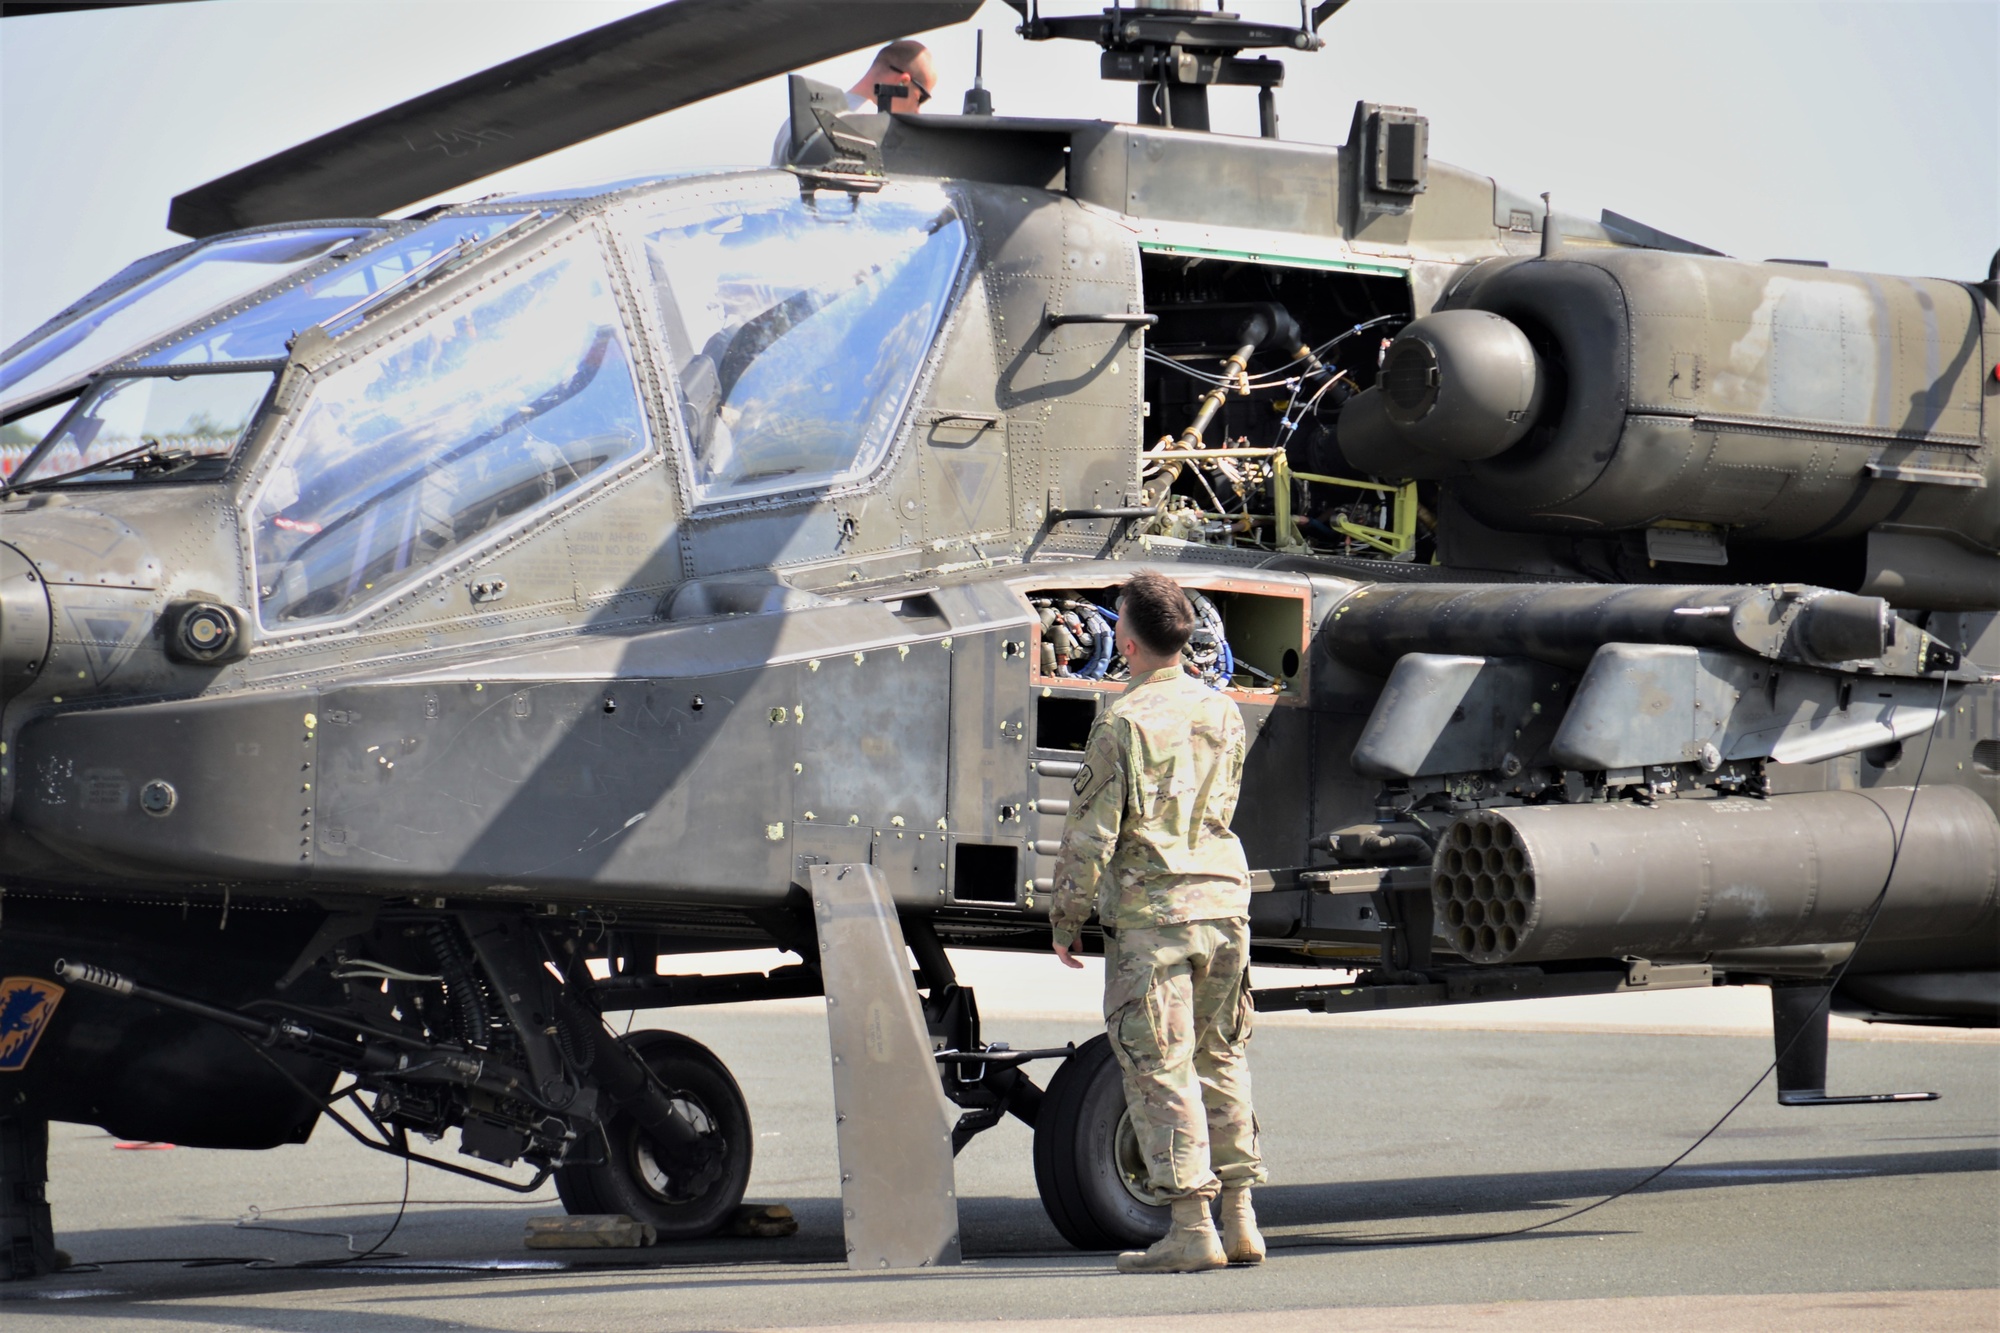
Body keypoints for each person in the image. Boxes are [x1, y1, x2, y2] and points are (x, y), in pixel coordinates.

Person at [1047, 571, 1266, 1274]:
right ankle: (1241, 1216)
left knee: (1159, 1067)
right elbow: (1220, 805)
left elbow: (1090, 834)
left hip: (1155, 917)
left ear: (1128, 639)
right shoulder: (1223, 711)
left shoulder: (1122, 720)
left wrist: (1065, 916)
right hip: (1225, 906)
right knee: (1222, 1057)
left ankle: (1191, 1227)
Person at [770, 40, 937, 165]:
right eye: (920, 98)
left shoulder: (797, 119)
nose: (917, 111)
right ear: (902, 82)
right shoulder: (878, 133)